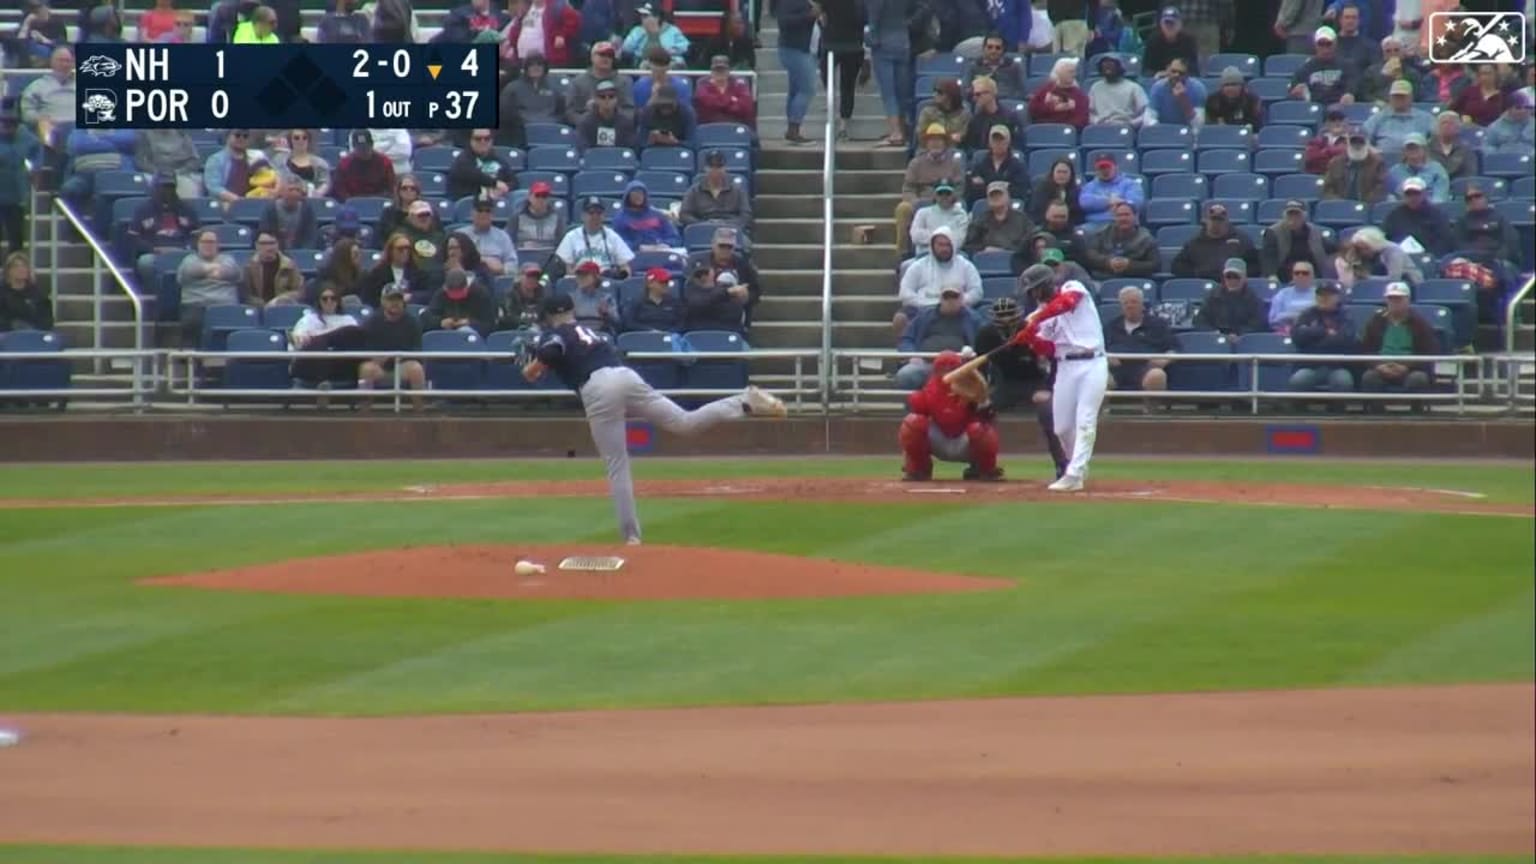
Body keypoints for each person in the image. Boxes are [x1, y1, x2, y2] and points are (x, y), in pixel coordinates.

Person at [521, 293, 786, 545]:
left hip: (598, 387)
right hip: (625, 376)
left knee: (617, 464)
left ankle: (632, 538)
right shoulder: (589, 332)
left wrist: (530, 367)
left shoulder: (554, 334)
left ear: (548, 315)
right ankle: (743, 400)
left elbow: (551, 352)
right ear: (571, 310)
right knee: (685, 422)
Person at [1010, 264, 1107, 492]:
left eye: (1036, 289)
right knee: (1062, 427)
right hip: (1065, 366)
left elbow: (1066, 303)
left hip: (1093, 362)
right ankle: (1078, 468)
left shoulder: (1072, 287)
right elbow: (1049, 350)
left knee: (1085, 420)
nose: (1034, 295)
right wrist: (1029, 338)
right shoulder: (1042, 315)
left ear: (1046, 284)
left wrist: (1034, 319)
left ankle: (1073, 472)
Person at [972, 296, 1068, 479]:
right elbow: (980, 367)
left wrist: (1048, 387)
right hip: (1005, 384)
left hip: (1036, 382)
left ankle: (1062, 465)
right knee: (977, 415)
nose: (1006, 320)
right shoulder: (986, 335)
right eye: (1001, 316)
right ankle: (981, 465)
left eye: (1009, 315)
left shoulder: (1033, 330)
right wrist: (981, 396)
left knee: (1049, 413)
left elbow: (1054, 361)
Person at [896, 349, 1004, 482]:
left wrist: (982, 400)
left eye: (951, 368)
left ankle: (985, 468)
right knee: (912, 422)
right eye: (942, 368)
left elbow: (990, 419)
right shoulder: (928, 391)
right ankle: (919, 468)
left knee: (979, 429)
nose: (947, 372)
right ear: (935, 371)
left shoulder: (971, 388)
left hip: (966, 442)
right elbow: (914, 424)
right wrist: (909, 457)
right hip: (939, 440)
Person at [893, 227, 981, 334]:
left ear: (953, 245)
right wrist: (923, 303)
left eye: (947, 245)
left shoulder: (965, 265)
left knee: (975, 318)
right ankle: (907, 349)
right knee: (900, 318)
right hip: (922, 309)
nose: (944, 249)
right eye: (940, 245)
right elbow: (905, 292)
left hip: (956, 309)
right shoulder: (919, 266)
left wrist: (958, 302)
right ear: (932, 245)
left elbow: (977, 291)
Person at [894, 287, 984, 390]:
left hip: (960, 366)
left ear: (962, 299)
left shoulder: (974, 319)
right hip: (926, 364)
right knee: (905, 375)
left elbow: (984, 341)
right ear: (940, 299)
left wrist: (972, 354)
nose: (951, 301)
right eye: (946, 297)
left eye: (955, 297)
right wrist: (912, 355)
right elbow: (906, 339)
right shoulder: (924, 316)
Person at [893, 125, 964, 255]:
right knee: (903, 208)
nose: (935, 143)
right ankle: (902, 253)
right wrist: (916, 202)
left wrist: (949, 199)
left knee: (960, 207)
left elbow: (959, 187)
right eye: (931, 140)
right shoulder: (916, 163)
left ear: (945, 143)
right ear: (926, 143)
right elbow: (908, 188)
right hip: (921, 201)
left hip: (946, 201)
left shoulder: (954, 163)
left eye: (939, 140)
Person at [1359, 281, 1437, 393]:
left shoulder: (1420, 323)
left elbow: (1429, 352)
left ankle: (1415, 410)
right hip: (1381, 367)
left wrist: (1407, 366)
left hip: (1410, 369)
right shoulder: (1375, 321)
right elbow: (1365, 349)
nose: (1395, 302)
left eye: (1399, 299)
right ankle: (1376, 410)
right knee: (1369, 377)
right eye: (1391, 299)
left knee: (1418, 379)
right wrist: (1378, 366)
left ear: (1408, 300)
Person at [358, 284, 426, 411]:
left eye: (398, 299)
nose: (395, 303)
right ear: (383, 301)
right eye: (390, 299)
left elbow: (417, 351)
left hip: (402, 366)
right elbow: (363, 347)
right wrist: (375, 357)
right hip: (379, 367)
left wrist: (397, 357)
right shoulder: (372, 322)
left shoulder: (412, 322)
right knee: (366, 368)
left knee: (416, 368)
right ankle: (364, 412)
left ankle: (419, 411)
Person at [175, 230, 246, 347]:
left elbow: (234, 273)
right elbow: (189, 271)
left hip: (224, 305)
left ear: (218, 245)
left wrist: (204, 271)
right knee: (191, 322)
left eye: (212, 242)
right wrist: (213, 268)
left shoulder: (227, 259)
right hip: (196, 304)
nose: (208, 245)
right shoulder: (189, 259)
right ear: (198, 244)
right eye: (204, 242)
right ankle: (191, 360)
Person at [1102, 285, 1178, 393]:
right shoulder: (1110, 326)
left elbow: (1175, 348)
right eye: (1126, 303)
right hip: (1117, 370)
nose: (1130, 306)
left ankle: (1150, 410)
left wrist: (1164, 359)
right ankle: (1104, 410)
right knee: (1097, 376)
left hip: (1146, 368)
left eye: (1134, 302)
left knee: (1157, 375)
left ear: (1142, 305)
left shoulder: (1158, 325)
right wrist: (1107, 358)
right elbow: (1099, 350)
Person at [865, 0, 919, 147]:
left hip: (883, 43)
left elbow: (873, 20)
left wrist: (870, 39)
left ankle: (895, 132)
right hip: (903, 41)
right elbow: (920, 7)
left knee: (889, 93)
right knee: (902, 91)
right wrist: (909, 23)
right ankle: (902, 129)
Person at [288, 286, 364, 392]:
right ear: (319, 301)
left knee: (351, 331)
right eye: (325, 299)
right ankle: (322, 384)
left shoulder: (348, 320)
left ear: (338, 301)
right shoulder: (309, 319)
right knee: (318, 344)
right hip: (310, 363)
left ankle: (324, 386)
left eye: (333, 298)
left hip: (339, 364)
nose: (329, 302)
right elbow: (298, 342)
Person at [1288, 282, 1358, 393]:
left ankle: (1336, 409)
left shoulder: (1345, 315)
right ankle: (1300, 409)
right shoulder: (1307, 314)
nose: (1323, 298)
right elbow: (1297, 337)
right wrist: (1324, 332)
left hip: (1337, 366)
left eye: (1328, 295)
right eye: (1320, 295)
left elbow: (1345, 339)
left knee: (1343, 382)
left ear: (1337, 297)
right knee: (1298, 381)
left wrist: (1312, 340)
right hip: (1310, 366)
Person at [1171, 202, 1258, 281]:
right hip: (1203, 285)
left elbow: (1255, 266)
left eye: (1220, 220)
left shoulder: (1242, 240)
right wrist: (1197, 273)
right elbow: (1177, 266)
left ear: (1227, 221)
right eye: (1213, 219)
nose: (1216, 223)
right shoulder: (1195, 242)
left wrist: (1236, 275)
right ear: (1206, 221)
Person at [556, 197, 636, 277]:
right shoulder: (571, 237)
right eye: (591, 213)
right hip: (581, 281)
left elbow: (625, 266)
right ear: (583, 216)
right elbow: (569, 269)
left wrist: (622, 277)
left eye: (599, 213)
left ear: (604, 216)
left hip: (607, 281)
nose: (595, 216)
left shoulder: (612, 236)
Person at [564, 42, 637, 128]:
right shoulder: (577, 82)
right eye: (602, 55)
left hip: (616, 129)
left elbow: (629, 111)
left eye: (609, 56)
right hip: (586, 129)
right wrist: (586, 121)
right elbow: (570, 112)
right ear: (592, 57)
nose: (606, 58)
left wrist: (612, 113)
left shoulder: (624, 82)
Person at [776, 0, 819, 144]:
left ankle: (792, 128)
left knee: (795, 90)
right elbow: (784, 22)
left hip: (801, 48)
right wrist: (810, 15)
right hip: (794, 48)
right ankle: (794, 127)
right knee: (807, 89)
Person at [679, 150, 752, 233]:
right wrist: (703, 225)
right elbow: (684, 215)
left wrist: (726, 224)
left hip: (731, 230)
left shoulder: (738, 190)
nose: (715, 170)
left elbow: (746, 216)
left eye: (719, 167)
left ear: (724, 168)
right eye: (712, 167)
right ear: (705, 168)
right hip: (702, 230)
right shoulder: (694, 191)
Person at [1260, 200, 1334, 280]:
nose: (1293, 219)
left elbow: (1330, 249)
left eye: (1297, 215)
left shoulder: (1314, 231)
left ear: (1305, 216)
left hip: (1312, 276)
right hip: (1283, 277)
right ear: (1284, 216)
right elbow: (1268, 257)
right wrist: (1271, 275)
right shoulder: (1273, 232)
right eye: (1290, 215)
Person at [1082, 202, 1158, 280]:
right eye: (1119, 215)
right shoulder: (1100, 234)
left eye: (1126, 215)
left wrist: (1129, 265)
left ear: (1135, 216)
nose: (1123, 218)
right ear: (1114, 217)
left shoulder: (1147, 239)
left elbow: (1154, 265)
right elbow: (1090, 256)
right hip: (1102, 279)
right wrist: (1108, 262)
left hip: (1134, 279)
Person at [1334, 225, 1422, 291]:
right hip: (1376, 286)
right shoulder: (1359, 252)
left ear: (1374, 245)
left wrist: (1367, 278)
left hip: (1406, 283)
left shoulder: (1393, 251)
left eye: (1366, 248)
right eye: (1359, 249)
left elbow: (1394, 279)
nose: (1363, 252)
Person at [1381, 177, 1451, 257]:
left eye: (1416, 193)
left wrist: (1429, 256)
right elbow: (1387, 239)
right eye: (1408, 194)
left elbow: (1443, 241)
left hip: (1428, 258)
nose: (1412, 197)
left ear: (1425, 194)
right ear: (1403, 195)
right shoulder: (1394, 216)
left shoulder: (1438, 215)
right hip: (1400, 257)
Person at [1194, 259, 1266, 338]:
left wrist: (1239, 334)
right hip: (1215, 339)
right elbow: (1200, 320)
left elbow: (1257, 323)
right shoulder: (1213, 296)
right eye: (1228, 277)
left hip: (1243, 342)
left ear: (1244, 278)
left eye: (1236, 277)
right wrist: (1214, 333)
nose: (1232, 281)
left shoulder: (1253, 298)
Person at [501, 0, 581, 68]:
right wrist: (511, 42)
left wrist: (561, 35)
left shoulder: (555, 6)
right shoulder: (526, 7)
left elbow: (574, 19)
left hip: (545, 61)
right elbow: (517, 29)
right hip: (522, 60)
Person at [1289, 26, 1358, 105]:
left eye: (1328, 44)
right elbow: (1292, 91)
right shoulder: (1306, 68)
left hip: (1339, 109)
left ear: (1335, 44)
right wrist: (1296, 93)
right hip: (1313, 108)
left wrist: (1349, 94)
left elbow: (1353, 86)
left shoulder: (1347, 66)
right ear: (1315, 45)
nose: (1325, 48)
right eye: (1321, 44)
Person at [965, 125, 1029, 209]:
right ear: (989, 142)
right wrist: (1004, 186)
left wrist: (987, 184)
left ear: (1008, 142)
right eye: (994, 140)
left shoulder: (1017, 166)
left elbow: (1021, 191)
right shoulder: (981, 165)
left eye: (1001, 140)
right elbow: (974, 191)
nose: (997, 144)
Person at [359, 231, 430, 306]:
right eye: (400, 249)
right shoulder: (377, 274)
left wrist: (412, 297)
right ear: (391, 251)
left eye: (408, 248)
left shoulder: (419, 273)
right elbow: (368, 298)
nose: (405, 252)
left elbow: (428, 294)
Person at [963, 182, 1034, 257]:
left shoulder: (1021, 219)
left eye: (999, 194)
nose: (996, 198)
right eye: (992, 195)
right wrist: (983, 249)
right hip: (987, 260)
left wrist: (1004, 250)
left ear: (1008, 197)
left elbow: (1030, 242)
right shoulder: (980, 220)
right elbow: (969, 245)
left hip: (1015, 259)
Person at [612, 180, 683, 254]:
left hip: (661, 253)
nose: (638, 196)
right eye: (635, 194)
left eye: (641, 193)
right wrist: (638, 247)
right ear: (628, 196)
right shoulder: (620, 218)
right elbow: (618, 243)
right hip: (635, 255)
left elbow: (674, 237)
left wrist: (667, 244)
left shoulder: (657, 214)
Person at [1321, 128, 1388, 204]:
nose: (1357, 145)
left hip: (1368, 207)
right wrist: (1339, 203)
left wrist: (1364, 205)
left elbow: (1381, 188)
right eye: (1354, 142)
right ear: (1348, 143)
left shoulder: (1378, 163)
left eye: (1361, 142)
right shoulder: (1336, 163)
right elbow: (1327, 189)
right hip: (1340, 207)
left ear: (1367, 143)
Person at [447, 128, 517, 201]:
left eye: (487, 138)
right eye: (478, 139)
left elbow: (514, 181)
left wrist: (505, 188)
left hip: (496, 203)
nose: (482, 142)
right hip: (470, 204)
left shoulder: (498, 160)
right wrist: (495, 184)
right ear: (470, 140)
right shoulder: (462, 160)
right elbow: (472, 174)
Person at [422, 269, 496, 337]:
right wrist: (440, 323)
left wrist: (470, 323)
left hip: (473, 336)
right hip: (445, 334)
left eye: (459, 294)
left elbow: (489, 324)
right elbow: (427, 318)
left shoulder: (481, 294)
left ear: (466, 287)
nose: (456, 298)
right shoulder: (441, 294)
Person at [457, 196, 517, 276]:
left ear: (493, 214)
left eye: (487, 211)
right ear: (472, 213)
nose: (484, 214)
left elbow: (513, 266)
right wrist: (482, 260)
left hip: (495, 279)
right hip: (466, 279)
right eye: (480, 210)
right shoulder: (460, 235)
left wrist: (502, 269)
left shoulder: (503, 237)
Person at [500, 55, 565, 128]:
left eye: (539, 64)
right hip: (521, 129)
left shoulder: (555, 88)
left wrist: (555, 121)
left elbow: (562, 111)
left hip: (551, 127)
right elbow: (505, 111)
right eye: (531, 65)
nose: (535, 68)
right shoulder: (512, 88)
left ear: (545, 68)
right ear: (526, 68)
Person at [1078, 155, 1144, 226]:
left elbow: (1135, 203)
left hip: (1121, 224)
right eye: (1101, 168)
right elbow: (1084, 203)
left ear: (1116, 167)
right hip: (1094, 225)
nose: (1105, 171)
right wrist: (1109, 201)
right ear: (1096, 170)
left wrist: (1119, 205)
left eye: (1108, 167)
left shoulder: (1130, 184)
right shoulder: (1089, 186)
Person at [619, 3, 690, 68]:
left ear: (657, 17)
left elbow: (685, 47)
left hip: (668, 62)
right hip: (644, 63)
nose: (642, 19)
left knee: (679, 61)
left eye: (646, 16)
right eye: (642, 16)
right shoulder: (638, 31)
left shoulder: (672, 30)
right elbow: (626, 48)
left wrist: (669, 52)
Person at [577, 79, 640, 151]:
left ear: (616, 99)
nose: (607, 100)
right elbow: (583, 149)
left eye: (611, 96)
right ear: (596, 99)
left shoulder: (626, 123)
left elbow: (631, 149)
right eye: (602, 97)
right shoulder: (586, 123)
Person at [909, 182, 969, 258]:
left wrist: (929, 235)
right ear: (935, 196)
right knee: (905, 266)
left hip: (952, 256)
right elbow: (915, 236)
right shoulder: (922, 212)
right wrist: (946, 237)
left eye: (948, 193)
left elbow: (959, 241)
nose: (944, 197)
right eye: (940, 193)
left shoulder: (961, 215)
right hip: (924, 255)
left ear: (954, 195)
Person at [332, 130, 396, 201]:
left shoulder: (384, 162)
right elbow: (340, 190)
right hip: (353, 202)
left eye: (366, 148)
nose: (363, 151)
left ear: (372, 145)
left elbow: (391, 188)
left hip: (378, 201)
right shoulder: (344, 164)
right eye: (360, 148)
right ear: (354, 147)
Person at [257, 178, 319, 251]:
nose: (294, 193)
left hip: (301, 252)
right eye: (291, 190)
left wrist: (304, 253)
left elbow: (310, 236)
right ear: (282, 192)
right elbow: (265, 233)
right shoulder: (271, 208)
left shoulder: (307, 209)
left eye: (297, 190)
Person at [693, 55, 756, 126]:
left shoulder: (740, 84)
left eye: (723, 70)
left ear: (728, 71)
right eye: (717, 70)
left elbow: (745, 107)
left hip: (737, 125)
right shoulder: (702, 84)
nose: (720, 72)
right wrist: (732, 101)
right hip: (709, 126)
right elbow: (706, 105)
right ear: (712, 71)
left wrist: (719, 105)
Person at [963, 77, 1021, 153]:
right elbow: (970, 146)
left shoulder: (1009, 118)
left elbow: (1017, 144)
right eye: (973, 95)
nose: (974, 98)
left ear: (991, 94)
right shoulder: (975, 120)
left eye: (978, 94)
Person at [508, 180, 567, 254]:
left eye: (544, 196)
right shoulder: (517, 217)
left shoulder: (557, 218)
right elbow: (508, 243)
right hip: (523, 256)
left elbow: (562, 244)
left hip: (550, 258)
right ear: (529, 197)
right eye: (537, 195)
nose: (541, 199)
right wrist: (521, 245)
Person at [1027, 59, 1089, 129]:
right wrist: (1053, 108)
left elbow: (1081, 121)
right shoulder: (1046, 89)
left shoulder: (1080, 95)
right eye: (1070, 72)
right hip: (1043, 128)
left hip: (1064, 131)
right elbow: (1033, 109)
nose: (1074, 75)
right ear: (1060, 73)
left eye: (1074, 71)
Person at [1089, 55, 1149, 128]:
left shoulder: (1133, 87)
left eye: (1111, 64)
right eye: (1105, 65)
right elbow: (1090, 112)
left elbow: (1146, 112)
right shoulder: (1095, 87)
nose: (1107, 67)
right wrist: (1097, 121)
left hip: (1126, 127)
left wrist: (1131, 123)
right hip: (1101, 127)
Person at [1360, 35, 1423, 104]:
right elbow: (1365, 94)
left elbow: (1417, 95)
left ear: (1402, 52)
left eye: (1396, 50)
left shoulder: (1412, 73)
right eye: (1388, 51)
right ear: (1383, 54)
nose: (1393, 54)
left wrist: (1399, 77)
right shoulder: (1371, 72)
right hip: (1380, 107)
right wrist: (1376, 101)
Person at [1385, 135, 1449, 202]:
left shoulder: (1437, 170)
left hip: (1430, 208)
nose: (1412, 151)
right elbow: (1391, 196)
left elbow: (1440, 197)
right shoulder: (1395, 171)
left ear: (1424, 150)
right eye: (1409, 148)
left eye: (1416, 148)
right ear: (1404, 151)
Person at [0, 252, 52, 332]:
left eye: (24, 266)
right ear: (8, 271)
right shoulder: (2, 294)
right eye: (16, 266)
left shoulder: (38, 293)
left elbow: (47, 320)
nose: (21, 269)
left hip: (34, 335)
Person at [968, 32, 1027, 101]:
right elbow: (966, 90)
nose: (993, 51)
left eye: (998, 48)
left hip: (1008, 104)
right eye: (990, 47)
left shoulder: (1014, 67)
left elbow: (1022, 91)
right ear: (984, 48)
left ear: (1003, 50)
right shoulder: (974, 66)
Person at [1141, 6, 1199, 76]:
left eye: (1172, 23)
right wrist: (1157, 74)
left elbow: (1194, 71)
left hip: (1182, 79)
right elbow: (1146, 70)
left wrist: (1177, 73)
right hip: (1159, 81)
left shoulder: (1188, 41)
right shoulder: (1152, 41)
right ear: (1161, 24)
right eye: (1166, 23)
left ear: (1180, 24)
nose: (1169, 26)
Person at [625, 266, 685, 332]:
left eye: (667, 282)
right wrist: (649, 330)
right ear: (650, 284)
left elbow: (681, 323)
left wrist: (669, 332)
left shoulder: (674, 302)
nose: (666, 285)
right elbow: (629, 323)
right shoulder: (636, 302)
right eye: (662, 282)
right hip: (644, 337)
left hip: (670, 337)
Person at [1449, 63, 1509, 128]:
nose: (1485, 77)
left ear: (1496, 75)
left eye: (1488, 73)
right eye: (1482, 74)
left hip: (1492, 131)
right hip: (1469, 129)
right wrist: (1462, 117)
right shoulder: (1470, 91)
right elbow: (1453, 110)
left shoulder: (1503, 96)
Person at [916, 79, 972, 148]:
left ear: (951, 95)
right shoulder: (927, 112)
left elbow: (962, 136)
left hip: (953, 151)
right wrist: (949, 137)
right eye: (935, 91)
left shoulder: (964, 114)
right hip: (928, 150)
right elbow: (921, 136)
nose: (935, 95)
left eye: (940, 92)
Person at [1030, 157, 1084, 226]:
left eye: (1065, 172)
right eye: (1059, 172)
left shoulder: (1076, 190)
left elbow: (1077, 215)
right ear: (1053, 173)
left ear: (1071, 174)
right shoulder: (1042, 189)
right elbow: (1037, 213)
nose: (1061, 175)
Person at [639, 83, 695, 148]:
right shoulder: (648, 112)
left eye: (669, 105)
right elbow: (640, 144)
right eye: (662, 105)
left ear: (676, 102)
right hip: (653, 150)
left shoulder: (686, 112)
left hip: (678, 151)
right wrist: (650, 141)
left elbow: (692, 144)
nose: (666, 108)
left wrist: (676, 142)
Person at [1268, 260, 1318, 334]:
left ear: (1312, 276)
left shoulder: (1320, 294)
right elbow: (1273, 320)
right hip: (1284, 334)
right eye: (1297, 273)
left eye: (1305, 273)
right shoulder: (1282, 294)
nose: (1300, 276)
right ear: (1292, 276)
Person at [1483, 91, 1534, 156]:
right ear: (1509, 109)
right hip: (1505, 161)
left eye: (1527, 107)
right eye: (1518, 107)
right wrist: (1499, 155)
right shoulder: (1495, 127)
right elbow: (1487, 147)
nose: (1523, 110)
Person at [1427, 112, 1474, 180]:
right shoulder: (1426, 147)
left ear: (1458, 128)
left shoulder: (1465, 149)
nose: (1447, 126)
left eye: (1451, 123)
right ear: (1437, 127)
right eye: (1444, 123)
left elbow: (1470, 172)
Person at [1304, 110, 1351, 175]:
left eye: (1341, 120)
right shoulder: (1316, 141)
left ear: (1346, 123)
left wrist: (1325, 151)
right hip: (1319, 175)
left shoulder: (1353, 140)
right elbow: (1312, 159)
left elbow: (1349, 157)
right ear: (1327, 124)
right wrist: (1332, 152)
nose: (1337, 123)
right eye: (1333, 120)